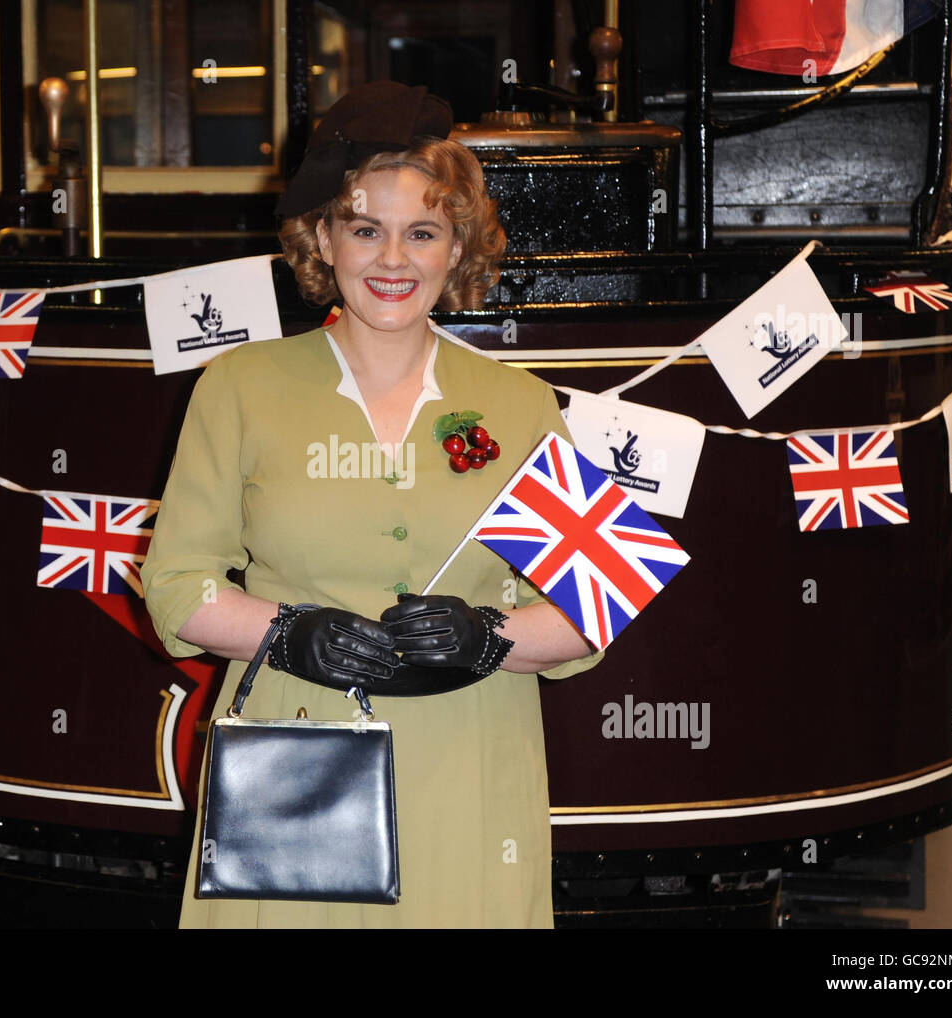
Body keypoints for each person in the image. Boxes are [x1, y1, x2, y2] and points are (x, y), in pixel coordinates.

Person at [139, 81, 604, 928]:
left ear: (455, 245)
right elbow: (177, 585)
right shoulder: (239, 388)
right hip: (294, 761)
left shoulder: (523, 404)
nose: (393, 260)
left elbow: (587, 609)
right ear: (323, 236)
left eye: (421, 232)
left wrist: (489, 635)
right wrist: (288, 630)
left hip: (468, 766)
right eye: (365, 229)